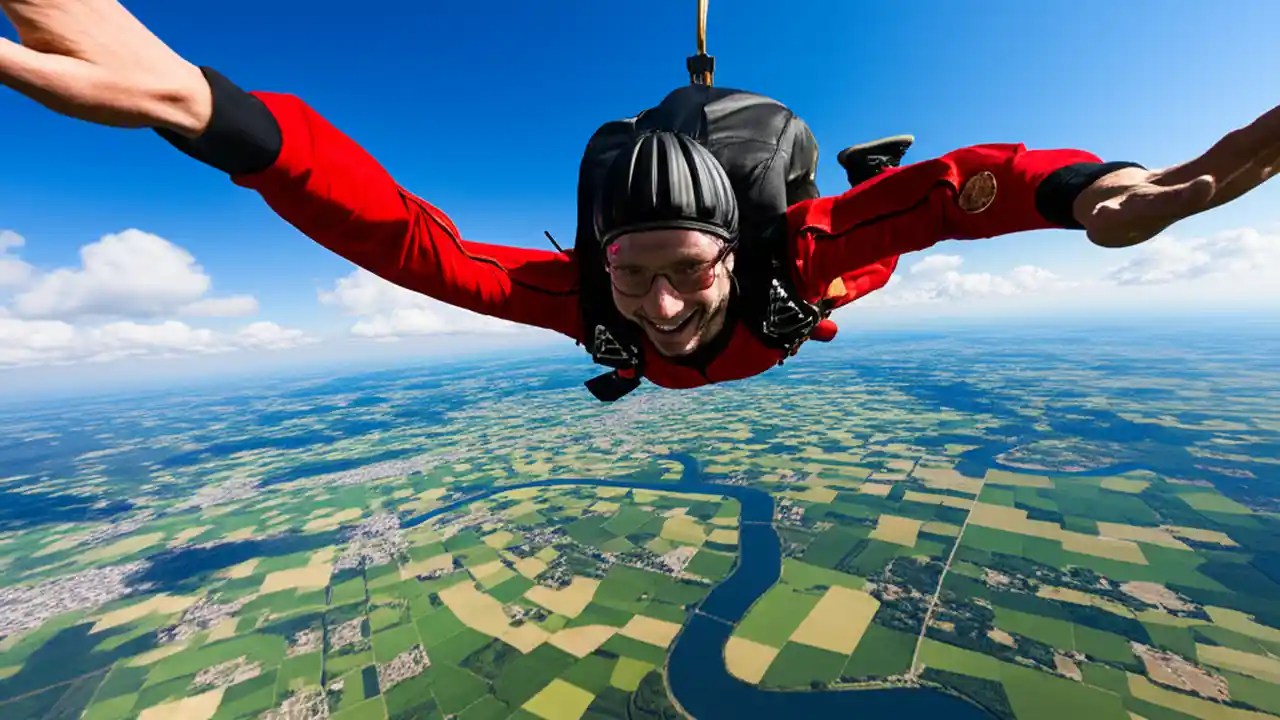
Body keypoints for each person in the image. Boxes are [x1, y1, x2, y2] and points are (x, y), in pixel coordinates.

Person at [2, 0, 1277, 401]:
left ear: (732, 251)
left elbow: (957, 194)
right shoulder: (582, 300)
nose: (659, 307)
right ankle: (859, 177)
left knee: (865, 255)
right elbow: (406, 242)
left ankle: (855, 169)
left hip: (809, 252)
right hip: (785, 273)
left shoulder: (791, 256)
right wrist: (207, 110)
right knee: (854, 264)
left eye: (686, 272)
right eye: (631, 274)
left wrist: (1103, 194)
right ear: (596, 260)